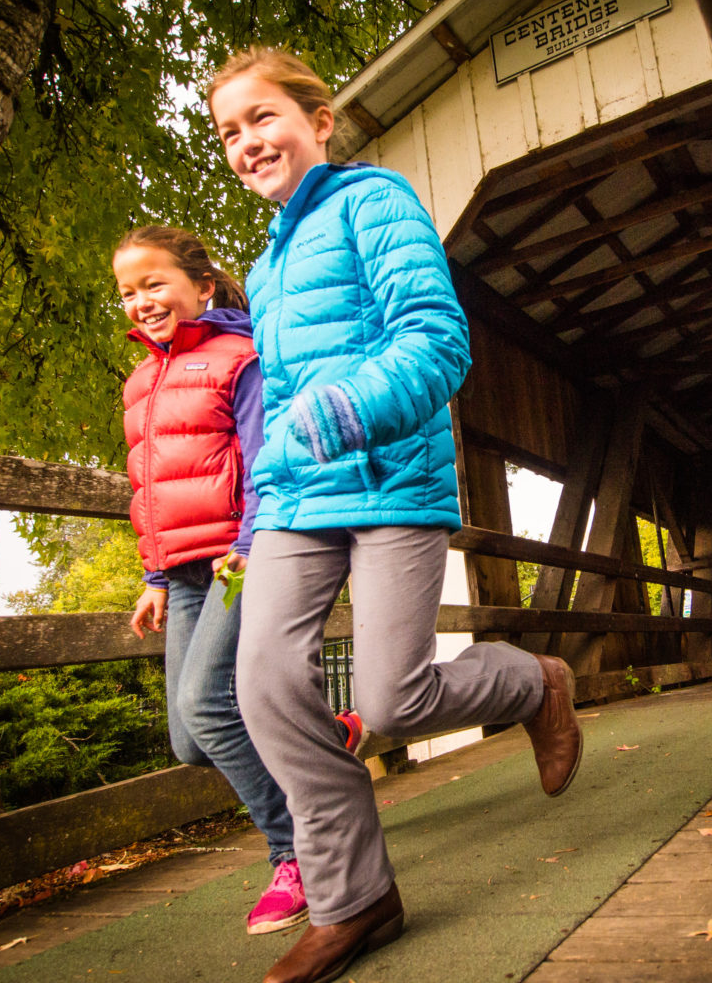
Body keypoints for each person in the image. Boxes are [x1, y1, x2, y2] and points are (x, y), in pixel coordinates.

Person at [207, 47, 584, 983]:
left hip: (390, 483)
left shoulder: (373, 201)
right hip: (298, 501)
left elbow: (436, 339)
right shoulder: (263, 269)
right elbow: (274, 405)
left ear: (318, 121)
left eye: (262, 117)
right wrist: (258, 512)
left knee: (388, 701)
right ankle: (355, 899)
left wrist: (339, 416)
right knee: (263, 686)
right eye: (228, 132)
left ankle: (533, 685)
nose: (247, 142)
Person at [114, 226, 367, 937]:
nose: (142, 301)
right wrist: (154, 575)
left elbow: (263, 460)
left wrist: (252, 544)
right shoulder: (140, 383)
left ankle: (296, 853)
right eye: (128, 292)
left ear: (201, 286)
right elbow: (151, 488)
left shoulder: (239, 358)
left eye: (155, 283)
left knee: (206, 704)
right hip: (183, 577)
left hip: (236, 562)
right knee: (189, 740)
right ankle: (326, 735)